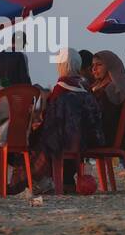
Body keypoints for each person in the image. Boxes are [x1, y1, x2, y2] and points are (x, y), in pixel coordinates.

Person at [37, 49, 104, 192]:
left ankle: (44, 180)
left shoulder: (60, 89)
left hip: (63, 142)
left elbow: (49, 117)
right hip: (86, 141)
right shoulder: (85, 86)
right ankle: (66, 179)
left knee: (36, 138)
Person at [89, 50, 125, 145]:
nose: (94, 69)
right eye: (92, 65)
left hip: (108, 138)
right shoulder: (100, 86)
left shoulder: (113, 89)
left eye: (99, 65)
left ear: (110, 67)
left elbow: (104, 118)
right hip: (106, 135)